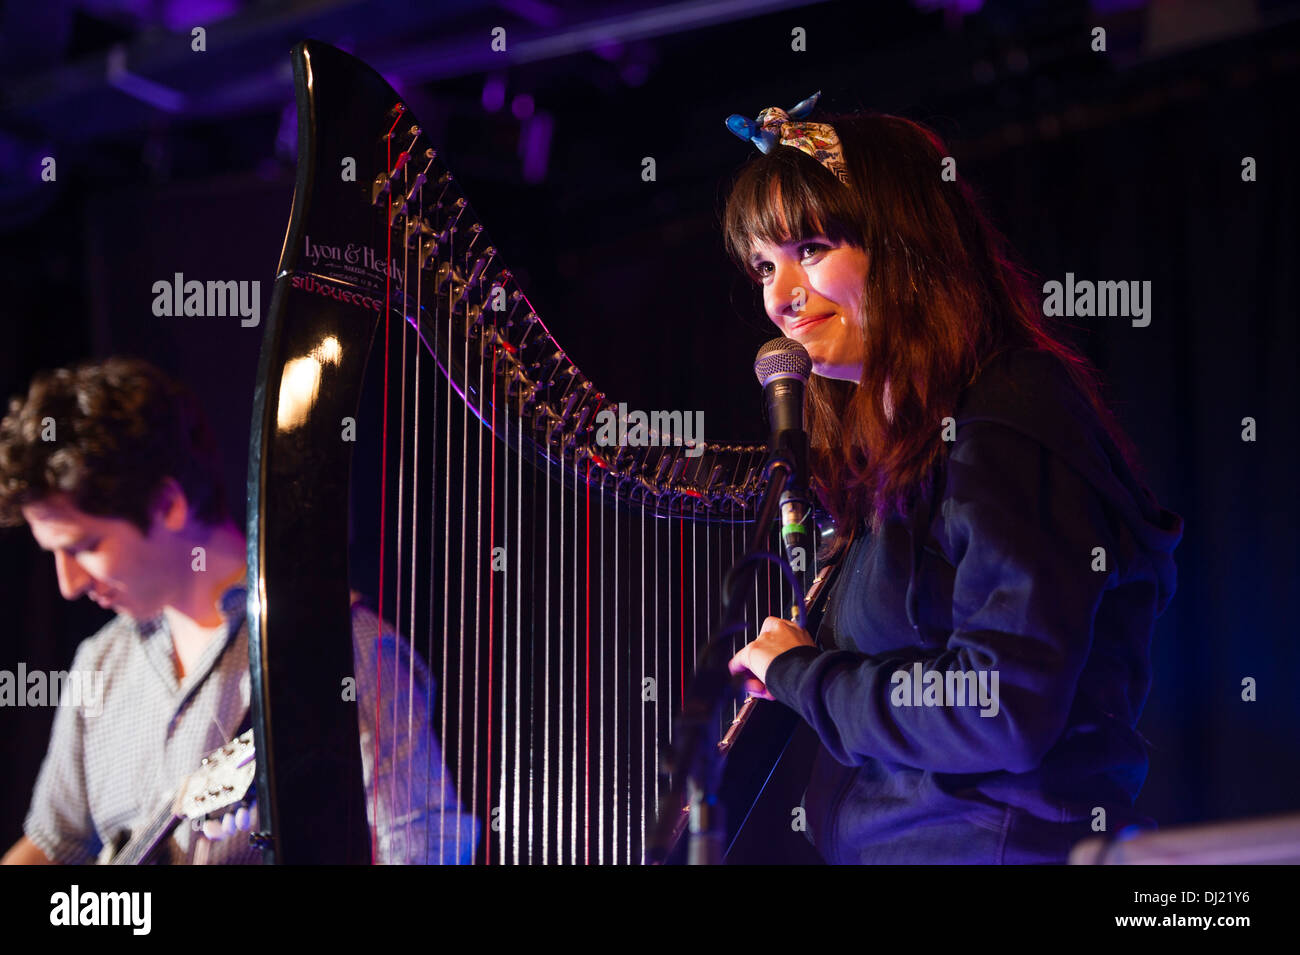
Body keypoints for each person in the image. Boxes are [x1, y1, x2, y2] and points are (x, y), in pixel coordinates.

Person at [722, 94, 1183, 864]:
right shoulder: (899, 453)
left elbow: (999, 705)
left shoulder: (1007, 411)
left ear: (900, 245)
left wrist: (807, 673)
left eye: (810, 248)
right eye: (765, 264)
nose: (780, 296)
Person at [0, 357, 478, 864]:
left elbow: (423, 853)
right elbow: (53, 847)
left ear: (167, 504)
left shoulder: (343, 651)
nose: (67, 585)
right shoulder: (100, 660)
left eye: (84, 547)